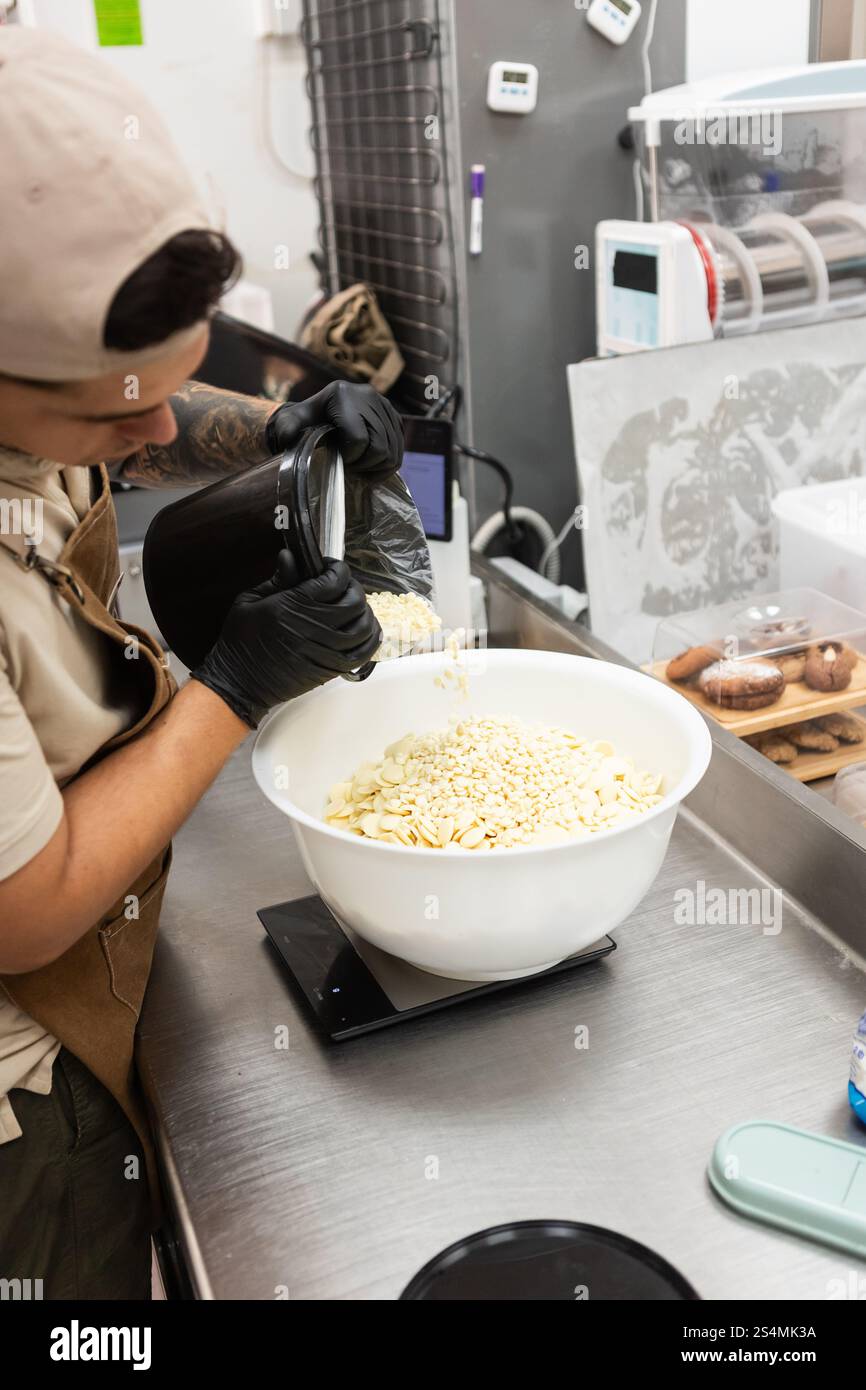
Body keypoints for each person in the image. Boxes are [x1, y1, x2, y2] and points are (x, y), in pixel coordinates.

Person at [0, 28, 401, 1298]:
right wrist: (232, 687)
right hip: (28, 1093)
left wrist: (274, 422)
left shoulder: (46, 360)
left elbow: (126, 436)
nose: (162, 427)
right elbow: (32, 904)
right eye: (119, 404)